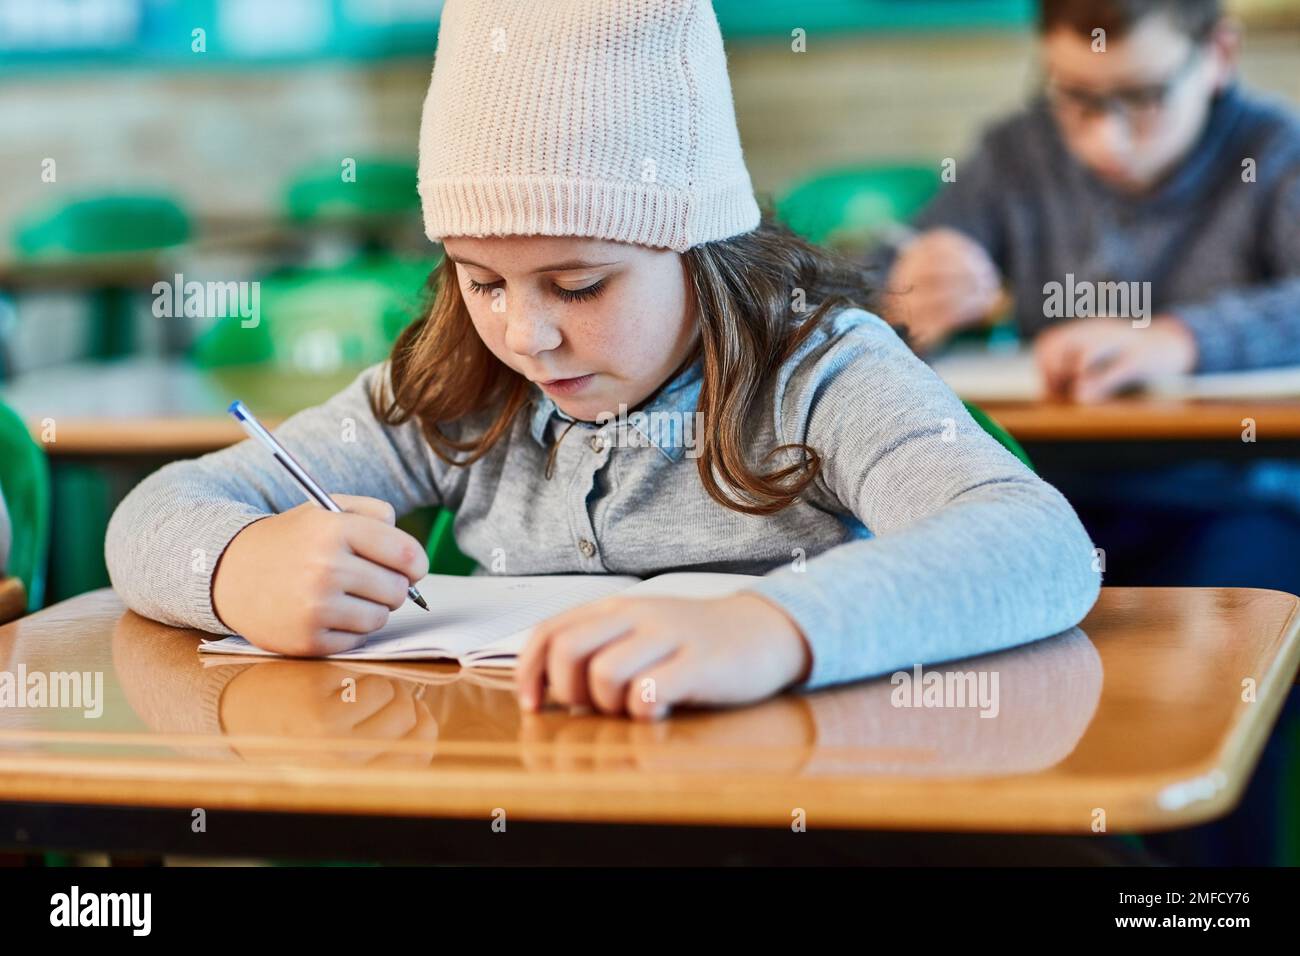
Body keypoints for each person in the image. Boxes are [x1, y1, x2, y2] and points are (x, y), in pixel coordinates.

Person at [106, 0, 1099, 720]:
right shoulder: (460, 383)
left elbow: (1039, 546)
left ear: (699, 247)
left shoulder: (819, 370)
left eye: (580, 285)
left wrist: (767, 627)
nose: (527, 334)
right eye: (482, 281)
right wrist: (236, 566)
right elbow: (150, 514)